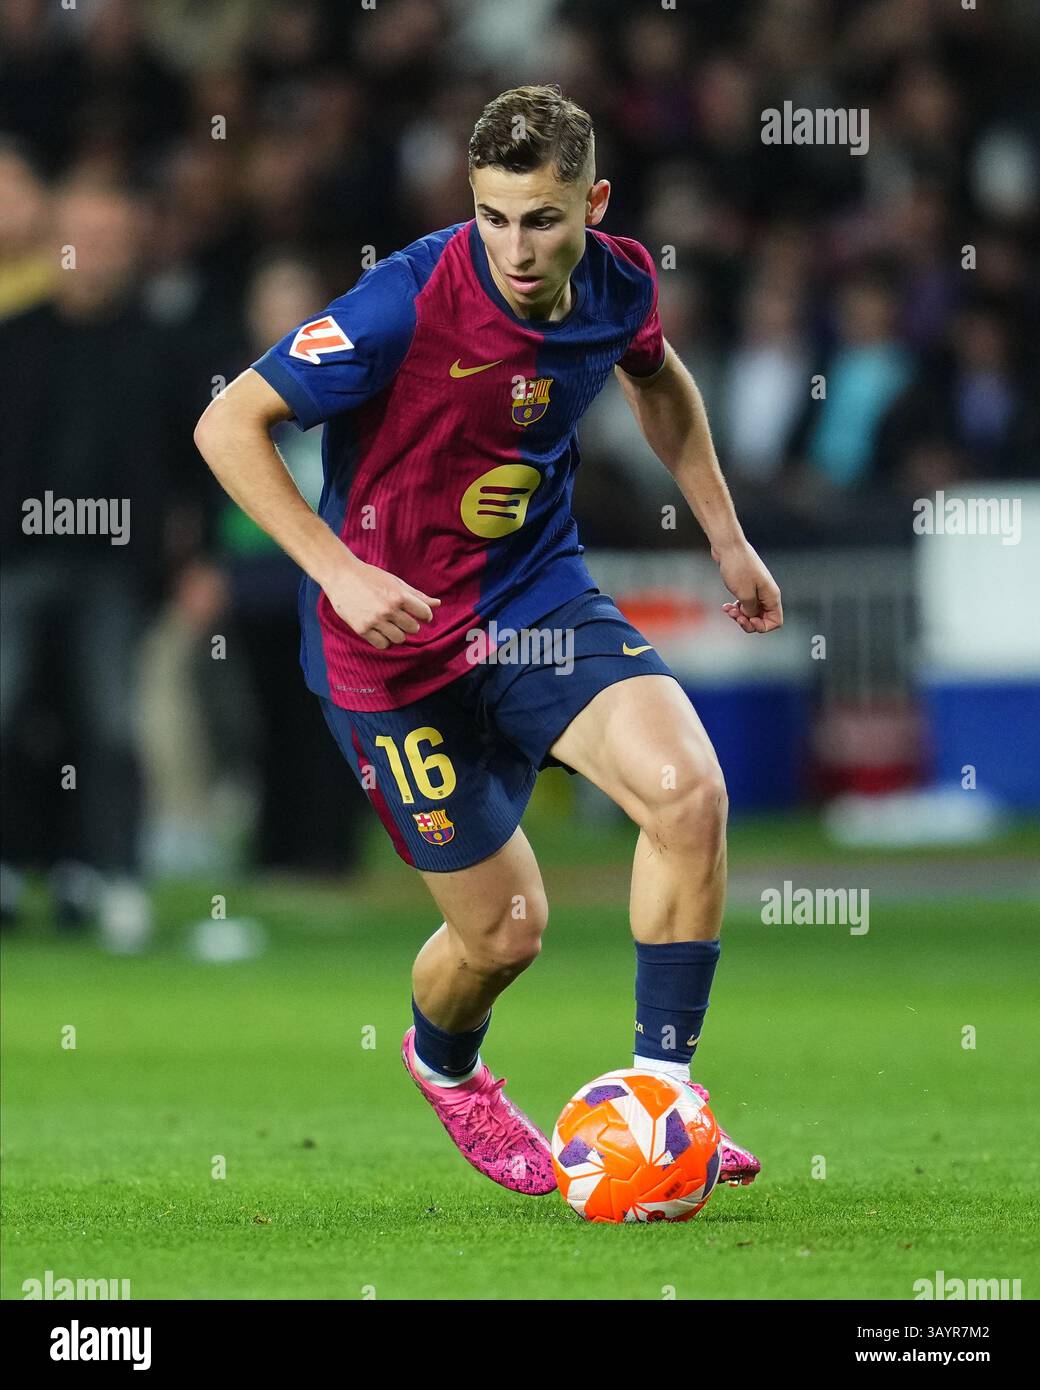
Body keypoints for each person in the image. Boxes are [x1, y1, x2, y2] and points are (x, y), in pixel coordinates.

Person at [194, 85, 783, 1197]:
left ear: (592, 204)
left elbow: (657, 383)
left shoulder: (619, 282)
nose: (516, 247)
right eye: (494, 216)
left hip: (533, 604)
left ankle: (663, 1103)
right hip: (391, 650)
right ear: (470, 202)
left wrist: (725, 535)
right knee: (507, 934)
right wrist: (338, 569)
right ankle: (447, 1067)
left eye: (543, 219)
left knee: (686, 792)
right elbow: (227, 424)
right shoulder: (399, 304)